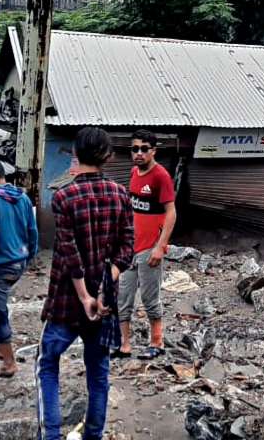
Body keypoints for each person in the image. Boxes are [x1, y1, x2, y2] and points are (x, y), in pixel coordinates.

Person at [37, 127, 135, 440]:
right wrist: (104, 288)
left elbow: (69, 253)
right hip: (105, 305)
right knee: (99, 372)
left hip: (68, 301)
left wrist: (85, 297)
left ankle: (51, 435)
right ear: (107, 157)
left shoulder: (64, 197)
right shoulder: (121, 194)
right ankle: (94, 435)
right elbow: (126, 249)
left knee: (48, 363)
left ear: (76, 155)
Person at [115, 129, 177, 361]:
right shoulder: (133, 173)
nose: (139, 153)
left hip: (149, 248)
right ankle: (125, 345)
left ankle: (157, 342)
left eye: (144, 149)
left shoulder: (161, 176)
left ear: (153, 151)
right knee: (123, 298)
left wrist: (161, 247)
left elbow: (171, 213)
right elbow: (132, 209)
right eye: (134, 149)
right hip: (130, 247)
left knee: (151, 298)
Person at [0, 159, 39, 378]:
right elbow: (32, 229)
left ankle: (9, 363)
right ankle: (2, 347)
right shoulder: (22, 197)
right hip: (18, 262)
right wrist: (30, 254)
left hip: (1, 264)